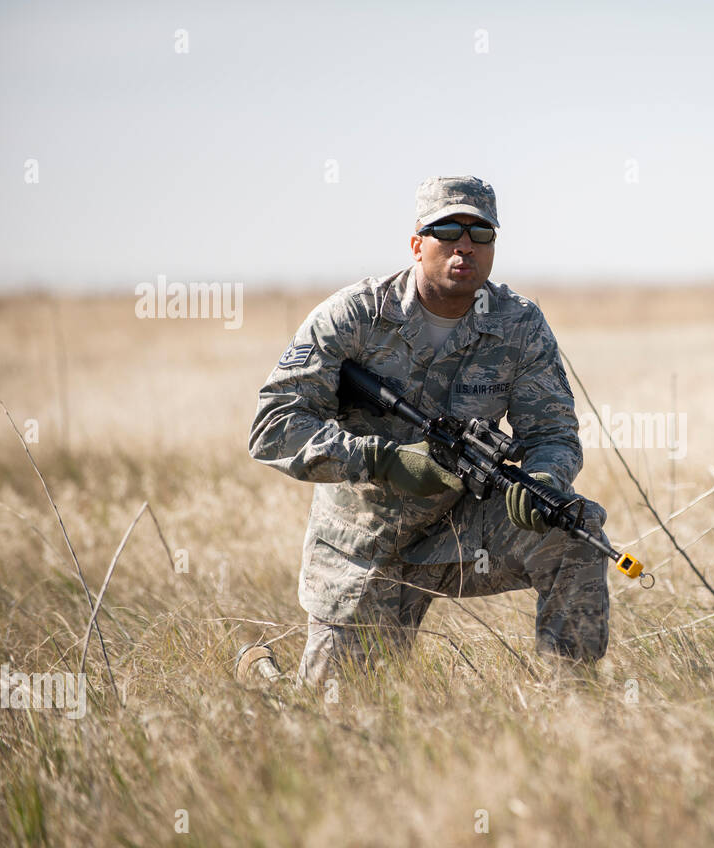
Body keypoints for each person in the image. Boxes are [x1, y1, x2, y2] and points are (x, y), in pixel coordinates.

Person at [243, 175, 610, 687]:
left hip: (458, 535)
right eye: (447, 230)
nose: (465, 246)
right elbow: (274, 425)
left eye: (481, 234)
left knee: (576, 531)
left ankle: (575, 702)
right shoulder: (355, 316)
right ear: (418, 244)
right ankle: (260, 675)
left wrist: (546, 480)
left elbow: (553, 432)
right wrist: (383, 460)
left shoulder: (518, 323)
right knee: (338, 715)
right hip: (363, 548)